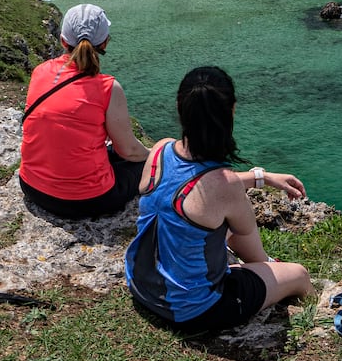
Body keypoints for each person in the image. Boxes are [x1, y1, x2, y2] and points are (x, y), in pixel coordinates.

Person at [125, 66, 313, 336]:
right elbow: (254, 257)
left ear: (180, 107)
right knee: (299, 274)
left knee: (213, 228)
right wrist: (274, 270)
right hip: (194, 311)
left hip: (142, 287)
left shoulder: (159, 151)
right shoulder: (223, 186)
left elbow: (202, 184)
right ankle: (321, 317)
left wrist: (261, 177)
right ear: (232, 111)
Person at [17, 3, 150, 220]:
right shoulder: (107, 87)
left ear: (62, 41)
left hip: (32, 187)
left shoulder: (40, 71)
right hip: (87, 200)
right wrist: (152, 157)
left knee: (111, 154)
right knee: (148, 163)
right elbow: (129, 151)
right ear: (105, 42)